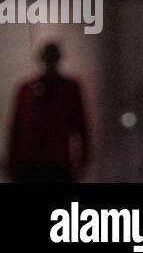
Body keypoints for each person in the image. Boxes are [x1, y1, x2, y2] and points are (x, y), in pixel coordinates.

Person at [6, 42, 90, 182]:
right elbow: (17, 127)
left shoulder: (69, 88)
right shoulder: (27, 89)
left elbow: (81, 125)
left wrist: (83, 160)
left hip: (55, 161)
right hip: (33, 161)